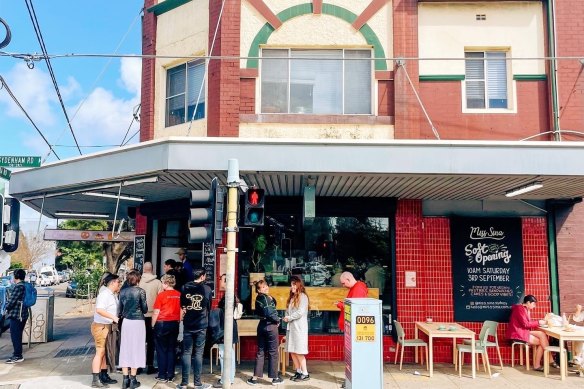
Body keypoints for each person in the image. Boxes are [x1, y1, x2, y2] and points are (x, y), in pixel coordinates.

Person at [178, 267, 212, 389]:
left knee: (186, 352)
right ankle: (197, 383)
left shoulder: (184, 287)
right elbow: (209, 307)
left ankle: (184, 383)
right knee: (198, 353)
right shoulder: (207, 289)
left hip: (188, 324)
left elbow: (182, 305)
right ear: (202, 276)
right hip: (201, 324)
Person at [247, 279, 283, 386]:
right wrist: (277, 320)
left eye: (266, 286)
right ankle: (275, 378)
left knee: (261, 352)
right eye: (263, 287)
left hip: (261, 325)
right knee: (273, 352)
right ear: (258, 290)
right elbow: (269, 312)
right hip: (270, 326)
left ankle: (254, 378)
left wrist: (272, 299)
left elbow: (269, 306)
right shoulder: (265, 298)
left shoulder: (258, 298)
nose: (266, 288)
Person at [118, 270, 148, 388]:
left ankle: (125, 380)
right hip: (138, 322)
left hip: (126, 322)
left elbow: (120, 309)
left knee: (125, 348)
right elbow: (145, 309)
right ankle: (133, 379)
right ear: (138, 279)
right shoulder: (141, 291)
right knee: (137, 348)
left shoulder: (123, 291)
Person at [91, 273, 121, 388]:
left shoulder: (112, 294)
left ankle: (103, 375)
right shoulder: (104, 295)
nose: (119, 284)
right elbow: (99, 309)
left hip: (107, 326)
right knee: (100, 352)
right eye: (118, 282)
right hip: (101, 326)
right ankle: (95, 379)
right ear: (112, 282)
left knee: (104, 353)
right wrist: (113, 317)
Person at [506, 294, 549, 371]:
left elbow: (527, 323)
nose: (534, 306)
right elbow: (526, 324)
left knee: (542, 334)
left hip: (522, 331)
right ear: (528, 302)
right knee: (541, 342)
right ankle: (537, 365)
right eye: (533, 304)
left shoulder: (524, 309)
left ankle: (550, 359)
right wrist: (539, 322)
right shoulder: (520, 309)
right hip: (517, 334)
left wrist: (536, 320)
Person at [151, 274, 181, 383]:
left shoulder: (161, 295)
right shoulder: (179, 294)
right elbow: (182, 311)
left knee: (161, 350)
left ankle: (162, 375)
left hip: (162, 324)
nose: (161, 284)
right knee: (171, 349)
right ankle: (171, 375)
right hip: (174, 324)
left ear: (166, 283)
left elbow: (156, 312)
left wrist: (153, 325)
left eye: (162, 282)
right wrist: (178, 320)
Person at [210, 295, 240, 388]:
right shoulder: (234, 310)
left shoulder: (220, 311)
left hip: (222, 334)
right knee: (230, 353)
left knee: (223, 355)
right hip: (231, 333)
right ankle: (230, 377)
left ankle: (225, 379)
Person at [283, 275, 310, 382]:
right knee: (292, 351)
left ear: (299, 285)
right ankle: (298, 371)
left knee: (299, 351)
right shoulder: (292, 297)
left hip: (299, 328)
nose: (292, 287)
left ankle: (305, 373)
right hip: (291, 328)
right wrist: (287, 316)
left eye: (294, 285)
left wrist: (288, 318)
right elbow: (288, 310)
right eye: (291, 285)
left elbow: (300, 312)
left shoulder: (303, 297)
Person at [139, 261, 163, 374]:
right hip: (153, 316)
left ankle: (138, 366)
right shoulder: (158, 283)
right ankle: (150, 365)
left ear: (144, 269)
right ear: (152, 269)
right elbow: (161, 299)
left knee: (139, 341)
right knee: (151, 341)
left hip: (139, 316)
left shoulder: (138, 281)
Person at [4, 269, 28, 364]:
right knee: (18, 335)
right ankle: (17, 354)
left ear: (16, 276)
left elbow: (11, 302)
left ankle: (17, 355)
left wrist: (6, 309)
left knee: (15, 336)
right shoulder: (25, 285)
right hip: (23, 314)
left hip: (17, 315)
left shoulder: (18, 287)